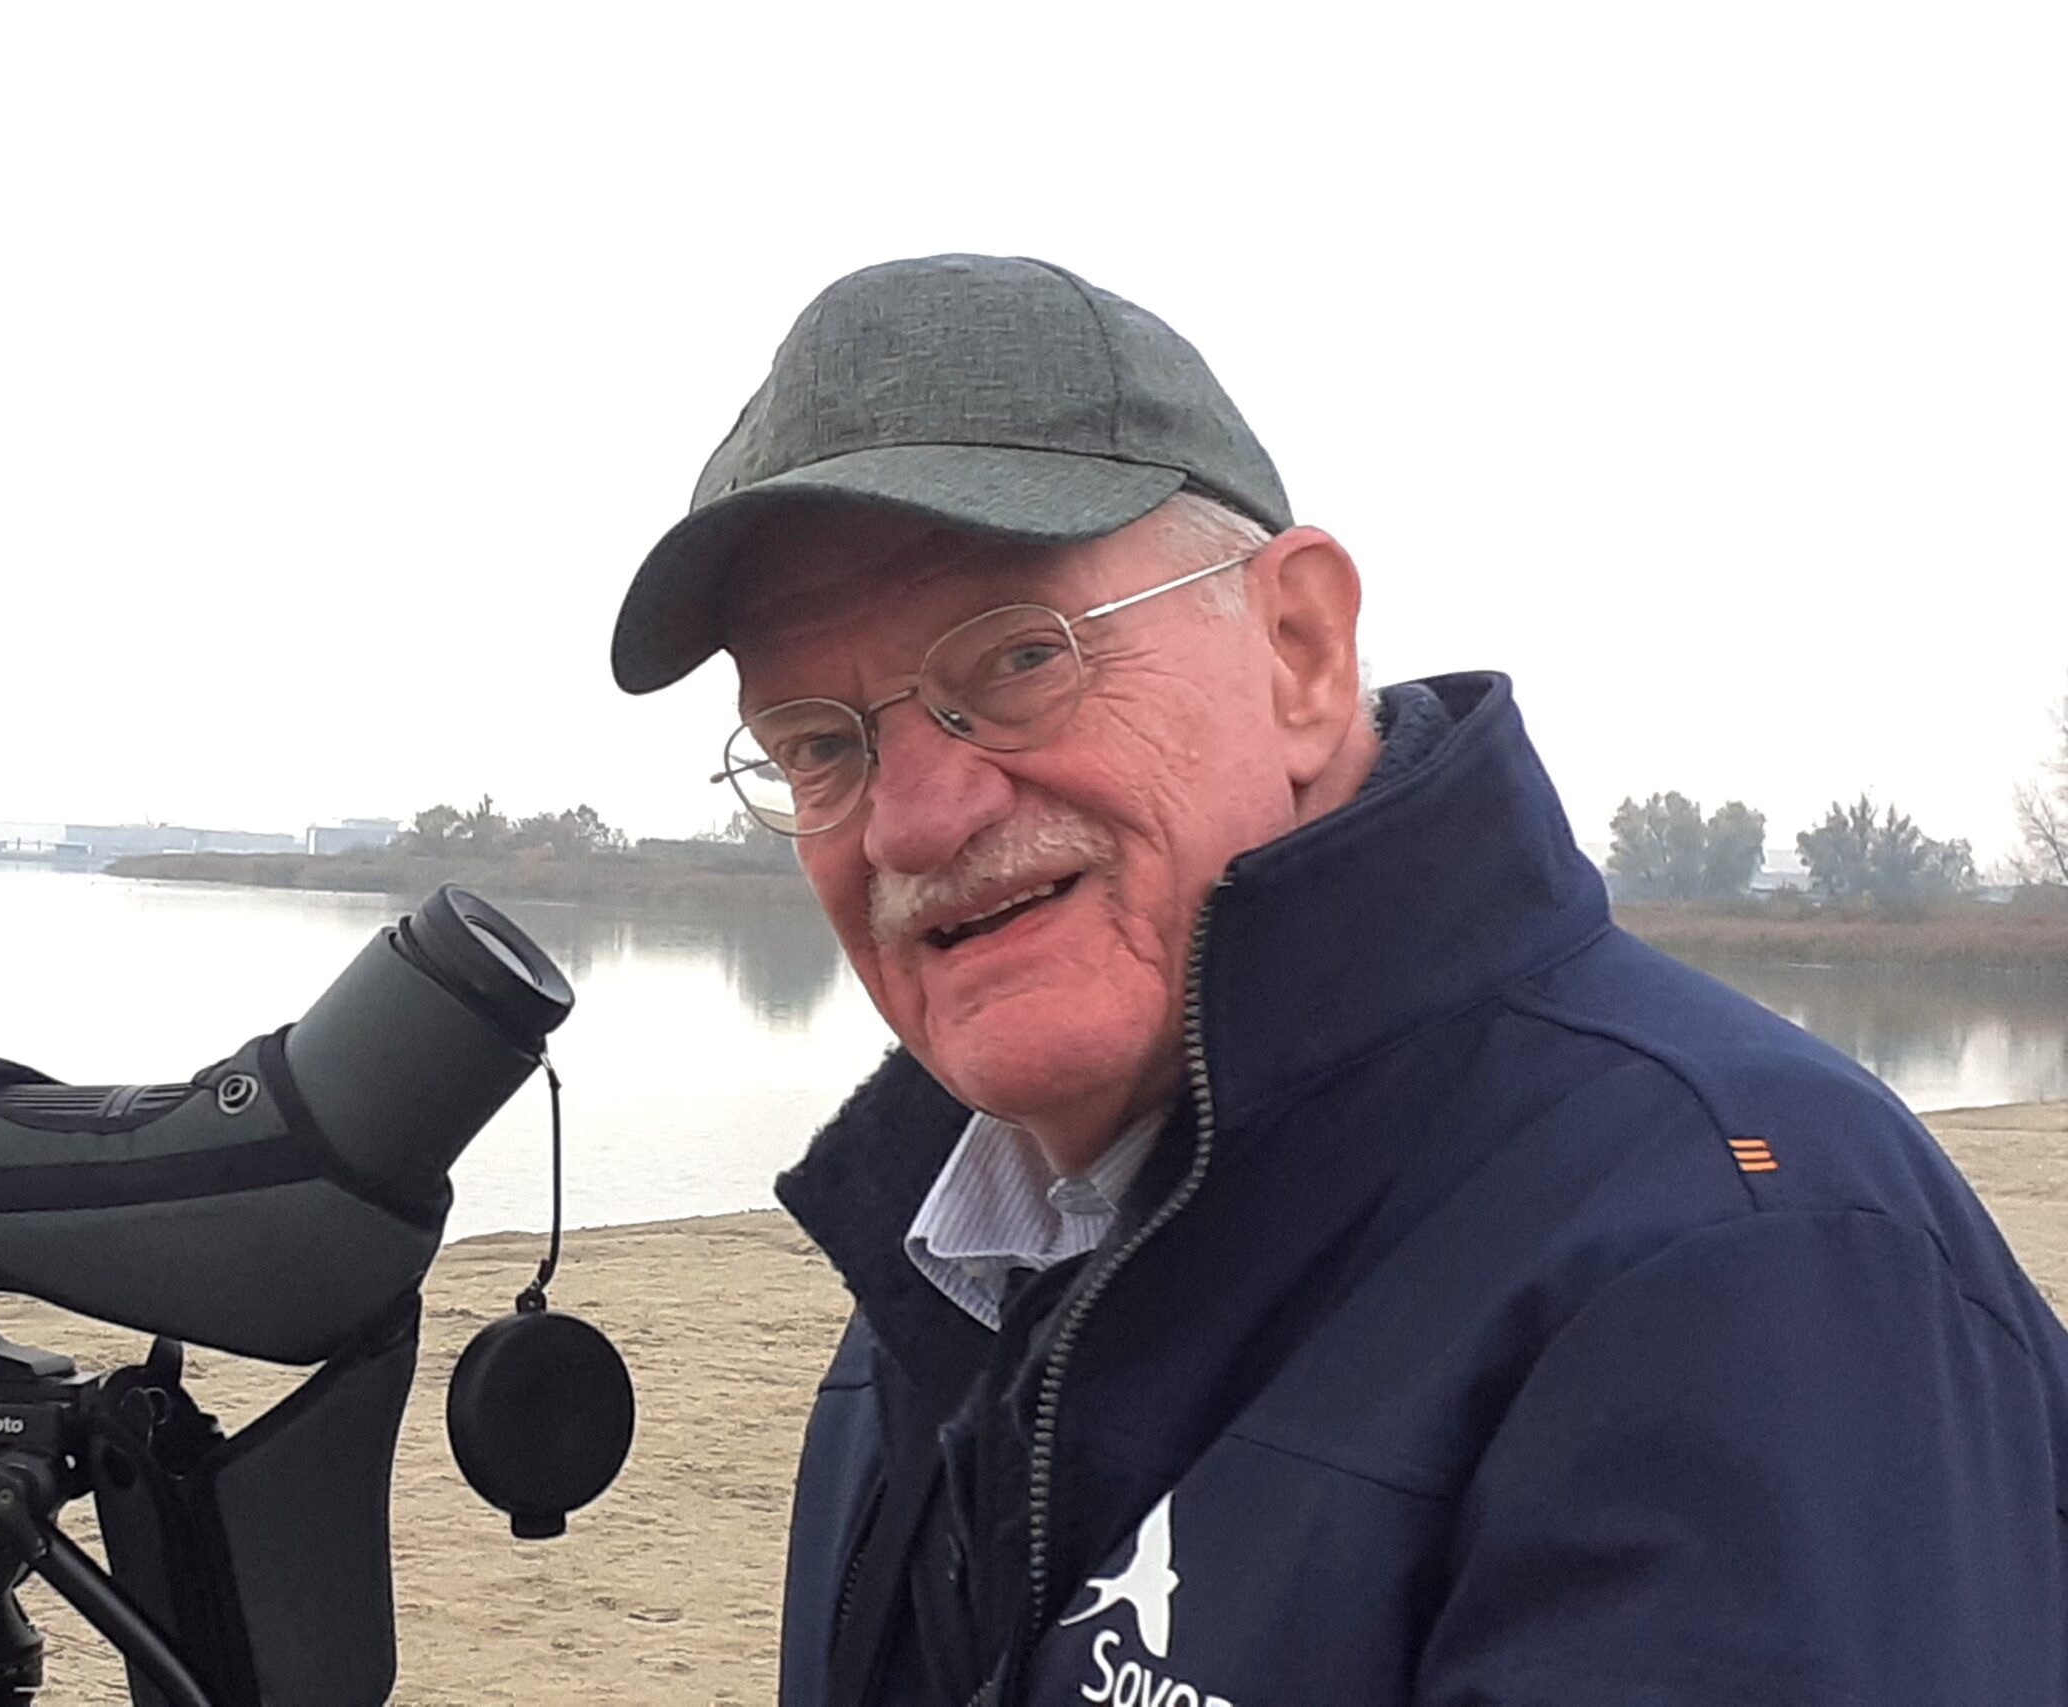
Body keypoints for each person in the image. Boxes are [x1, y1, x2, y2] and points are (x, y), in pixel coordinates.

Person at [610, 254, 2068, 1707]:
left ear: (1302, 653)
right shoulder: (950, 1263)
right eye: (815, 745)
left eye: (1014, 661)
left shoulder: (1737, 1253)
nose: (912, 820)